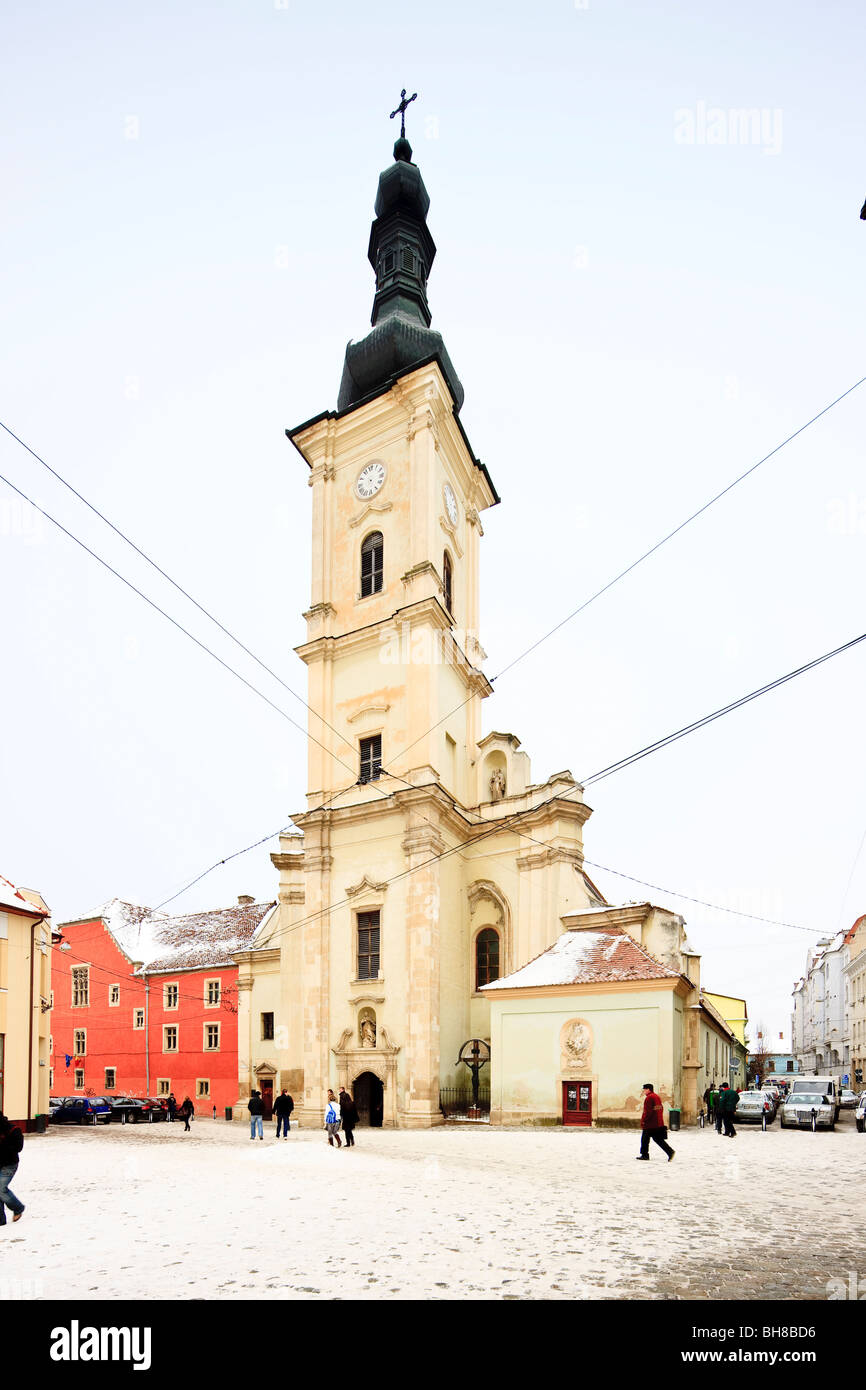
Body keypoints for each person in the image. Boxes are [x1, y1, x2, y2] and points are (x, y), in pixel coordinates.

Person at [636, 1083, 674, 1162]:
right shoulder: (657, 1097)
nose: (643, 1091)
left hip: (650, 1124)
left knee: (644, 1139)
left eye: (644, 1089)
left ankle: (644, 1155)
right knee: (658, 1139)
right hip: (657, 1122)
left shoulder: (649, 1098)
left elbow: (648, 1111)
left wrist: (644, 1121)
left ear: (648, 1089)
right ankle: (670, 1152)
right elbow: (660, 1108)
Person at [0, 1114, 25, 1225]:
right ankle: (1, 1220)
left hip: (9, 1164)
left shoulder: (14, 1130)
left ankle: (18, 1207)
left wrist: (3, 1145)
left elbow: (18, 1148)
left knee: (0, 1188)